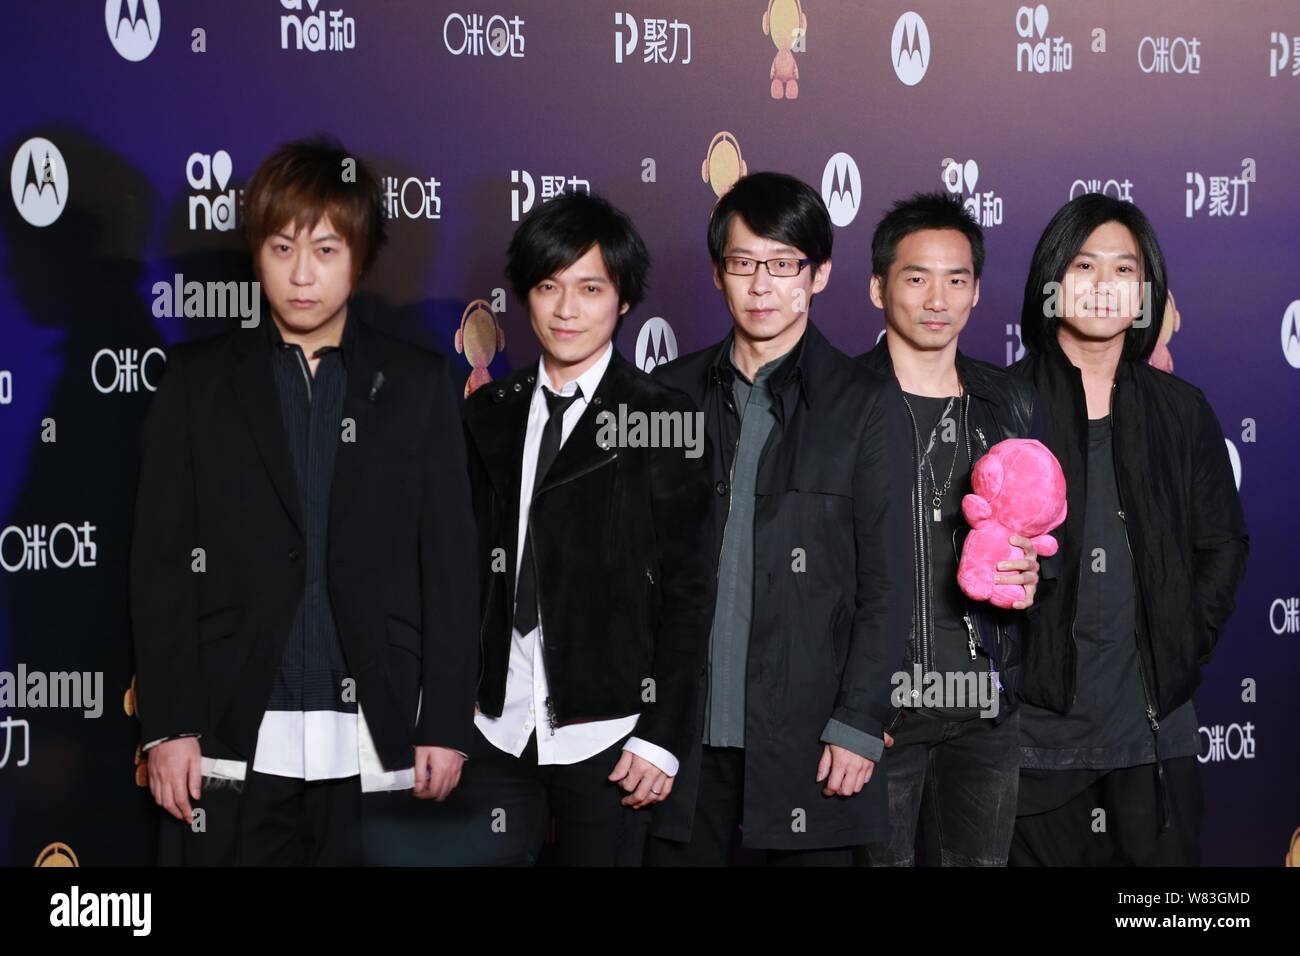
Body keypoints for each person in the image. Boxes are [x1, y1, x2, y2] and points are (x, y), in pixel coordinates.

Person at [131, 136, 479, 865]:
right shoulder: (195, 385)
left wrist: (444, 721)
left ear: (360, 256)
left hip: (378, 738)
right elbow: (159, 566)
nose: (301, 274)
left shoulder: (416, 385)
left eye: (325, 250)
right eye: (282, 246)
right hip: (229, 734)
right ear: (255, 251)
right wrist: (167, 727)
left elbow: (449, 564)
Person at [431, 191, 715, 866]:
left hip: (610, 732)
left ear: (622, 298)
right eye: (548, 286)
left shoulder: (663, 418)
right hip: (493, 725)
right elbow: (453, 576)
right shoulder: (486, 414)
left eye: (590, 288)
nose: (565, 309)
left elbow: (691, 591)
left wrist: (661, 735)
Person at [646, 172, 913, 866]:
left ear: (819, 274)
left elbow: (890, 582)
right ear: (717, 274)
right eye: (743, 263)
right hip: (677, 748)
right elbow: (631, 573)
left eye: (784, 264)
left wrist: (860, 720)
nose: (762, 285)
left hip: (811, 745)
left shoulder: (867, 405)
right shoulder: (667, 395)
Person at [1009, 193, 1249, 866]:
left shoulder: (1180, 411)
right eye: (1085, 266)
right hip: (1035, 744)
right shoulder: (1001, 406)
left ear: (1146, 292)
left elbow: (1222, 547)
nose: (1104, 286)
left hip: (1154, 738)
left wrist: (1180, 640)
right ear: (1053, 281)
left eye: (1124, 270)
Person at [857, 192, 1040, 866]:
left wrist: (1032, 575)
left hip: (985, 707)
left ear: (975, 292)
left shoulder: (1009, 401)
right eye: (916, 277)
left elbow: (1047, 538)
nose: (938, 297)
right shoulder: (839, 402)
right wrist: (849, 706)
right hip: (882, 713)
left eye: (956, 279)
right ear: (878, 287)